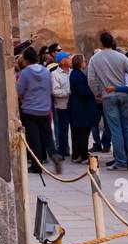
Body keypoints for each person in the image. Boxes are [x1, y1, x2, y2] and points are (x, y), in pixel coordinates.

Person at [87, 32, 128, 169]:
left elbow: (91, 80)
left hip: (108, 95)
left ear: (101, 42)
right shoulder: (121, 56)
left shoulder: (95, 59)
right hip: (124, 94)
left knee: (115, 129)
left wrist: (98, 93)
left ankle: (121, 161)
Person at [17, 46, 62, 174]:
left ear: (26, 60)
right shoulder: (45, 71)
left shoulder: (25, 73)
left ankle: (37, 165)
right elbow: (50, 88)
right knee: (47, 136)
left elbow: (19, 90)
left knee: (34, 138)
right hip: (44, 109)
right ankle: (54, 155)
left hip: (30, 109)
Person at [68, 54, 100, 163]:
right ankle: (83, 155)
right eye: (84, 61)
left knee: (80, 133)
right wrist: (94, 93)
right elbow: (82, 91)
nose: (85, 63)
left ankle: (78, 154)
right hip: (81, 108)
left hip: (79, 108)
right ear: (80, 62)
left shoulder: (76, 74)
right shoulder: (77, 75)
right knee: (83, 133)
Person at [50, 53, 72, 158]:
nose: (70, 59)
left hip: (73, 105)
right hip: (62, 106)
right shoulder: (55, 74)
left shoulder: (72, 72)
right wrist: (69, 92)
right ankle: (63, 151)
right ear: (62, 61)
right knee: (63, 130)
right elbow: (55, 91)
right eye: (68, 58)